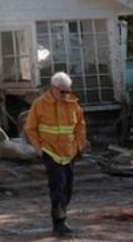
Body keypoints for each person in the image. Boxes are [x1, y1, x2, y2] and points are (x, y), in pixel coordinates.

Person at [25, 71, 87, 237]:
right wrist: (38, 148)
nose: (66, 95)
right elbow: (30, 128)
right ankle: (59, 221)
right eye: (63, 91)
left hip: (69, 152)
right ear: (53, 88)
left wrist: (80, 146)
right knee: (57, 185)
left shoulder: (73, 104)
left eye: (68, 91)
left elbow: (80, 127)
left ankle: (61, 213)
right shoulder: (39, 104)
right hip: (50, 151)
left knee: (68, 186)